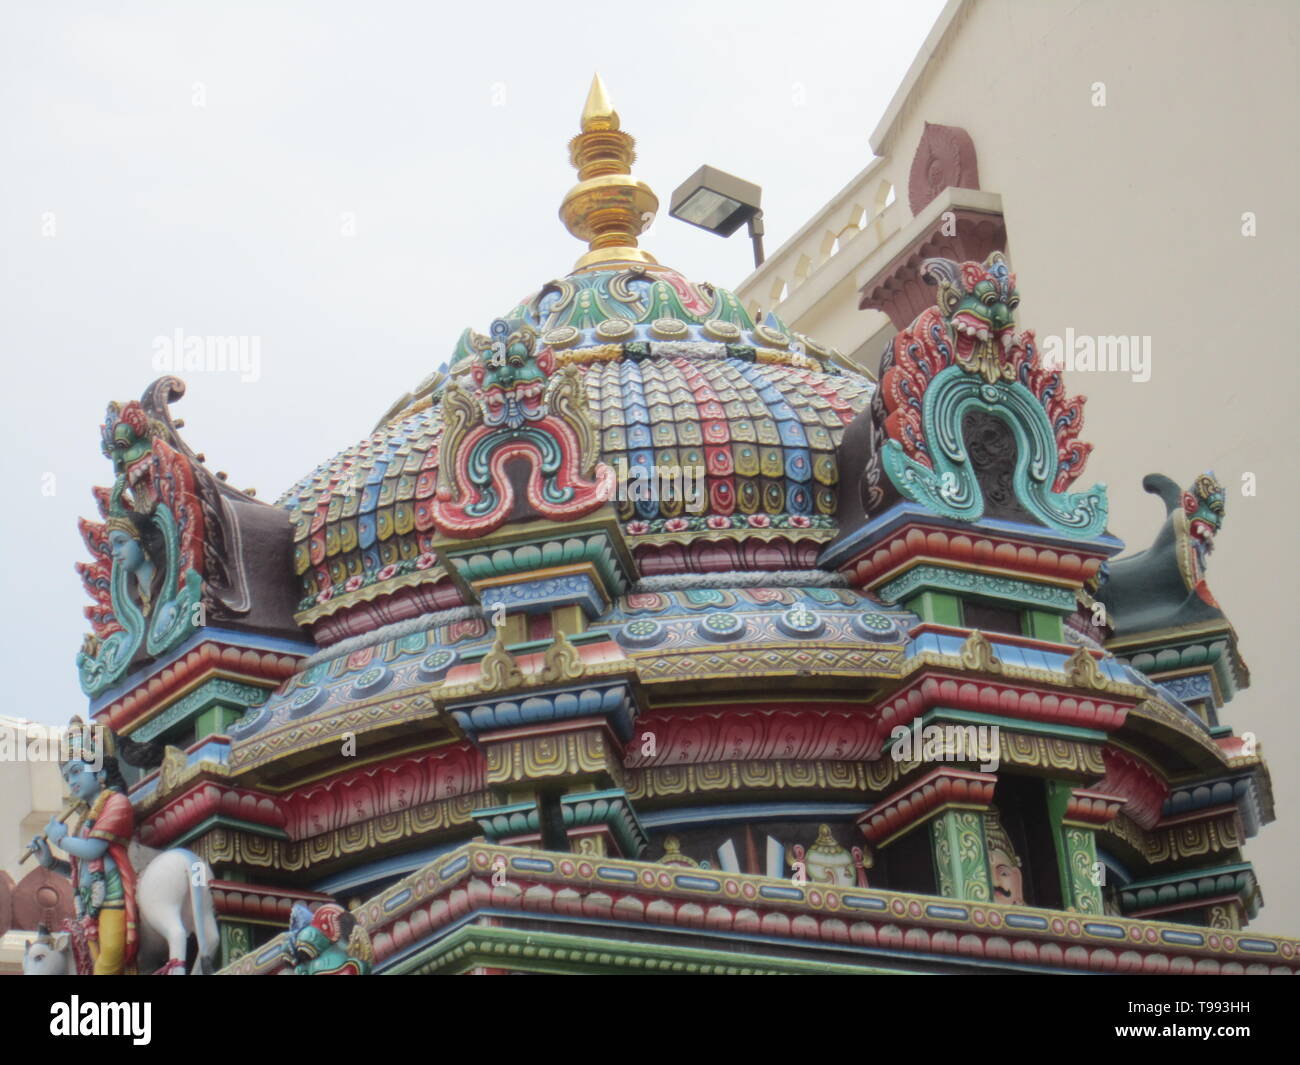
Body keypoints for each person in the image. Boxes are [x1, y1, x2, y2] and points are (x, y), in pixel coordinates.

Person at [30, 724, 139, 975]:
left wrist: (61, 840)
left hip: (112, 897)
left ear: (100, 772)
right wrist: (51, 862)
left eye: (77, 772)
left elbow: (93, 850)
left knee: (108, 964)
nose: (72, 782)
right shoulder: (83, 821)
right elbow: (81, 869)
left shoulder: (117, 803)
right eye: (67, 777)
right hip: (89, 905)